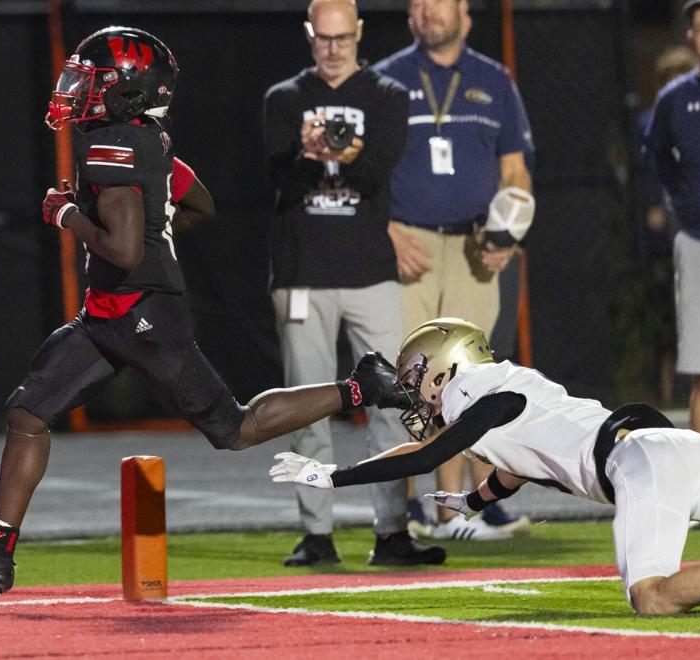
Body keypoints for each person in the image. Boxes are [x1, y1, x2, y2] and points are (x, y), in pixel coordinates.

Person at [0, 25, 408, 595]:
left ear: (125, 89)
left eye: (92, 79)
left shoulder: (112, 144)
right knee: (28, 412)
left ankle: (361, 387)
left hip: (142, 315)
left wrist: (67, 216)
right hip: (110, 314)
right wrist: (159, 222)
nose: (76, 87)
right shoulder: (145, 135)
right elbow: (199, 204)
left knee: (233, 428)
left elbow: (124, 250)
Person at [271, 317, 700, 614]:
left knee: (651, 597)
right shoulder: (511, 387)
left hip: (641, 465)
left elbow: (427, 455)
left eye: (416, 380)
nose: (413, 396)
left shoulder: (485, 398)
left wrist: (331, 474)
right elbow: (516, 468)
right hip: (678, 448)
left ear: (444, 371)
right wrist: (471, 501)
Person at [261, 0, 444, 568]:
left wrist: (335, 147)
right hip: (303, 276)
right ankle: (316, 533)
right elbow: (281, 184)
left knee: (393, 402)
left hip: (370, 273)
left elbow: (373, 173)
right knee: (306, 407)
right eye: (324, 38)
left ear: (359, 33)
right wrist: (309, 156)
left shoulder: (387, 95)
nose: (334, 48)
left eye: (343, 37)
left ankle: (391, 531)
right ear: (310, 34)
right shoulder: (284, 98)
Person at [373, 0, 535, 540]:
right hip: (410, 244)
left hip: (474, 244)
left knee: (473, 380)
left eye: (438, 1)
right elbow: (366, 169)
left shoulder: (495, 79)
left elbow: (515, 170)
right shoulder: (387, 78)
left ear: (466, 13)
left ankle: (468, 504)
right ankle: (416, 506)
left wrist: (507, 234)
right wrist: (389, 232)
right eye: (417, 3)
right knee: (412, 380)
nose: (427, 10)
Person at [643, 0, 700, 449]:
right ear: (689, 36)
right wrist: (687, 204)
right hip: (699, 243)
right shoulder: (674, 100)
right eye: (699, 28)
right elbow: (656, 164)